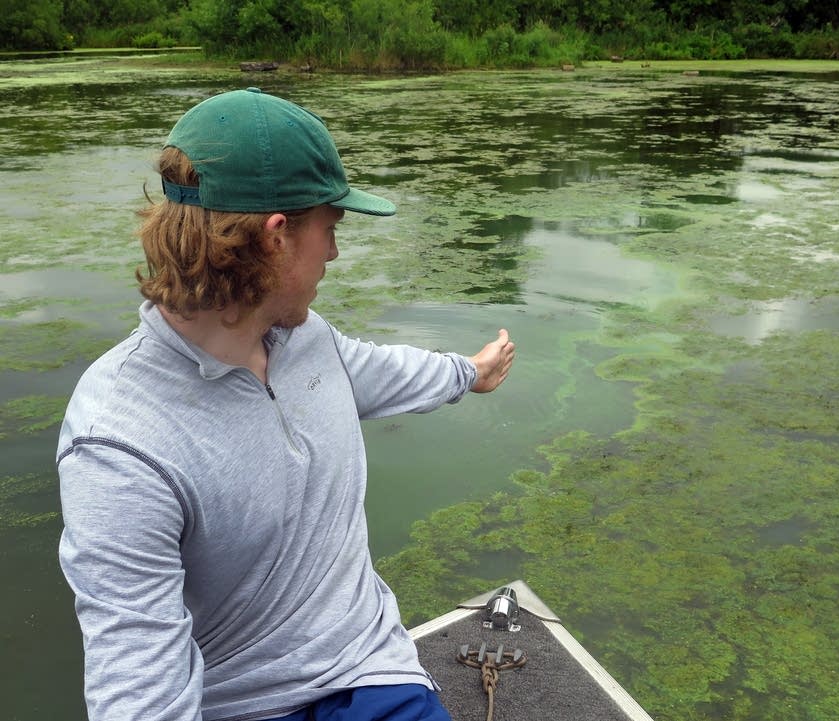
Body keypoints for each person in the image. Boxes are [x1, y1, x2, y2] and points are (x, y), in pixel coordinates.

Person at [57, 87, 515, 721]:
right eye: (330, 228)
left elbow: (376, 371)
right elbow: (137, 682)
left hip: (371, 671)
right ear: (276, 237)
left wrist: (469, 372)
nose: (333, 252)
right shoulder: (121, 442)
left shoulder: (303, 338)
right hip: (247, 706)